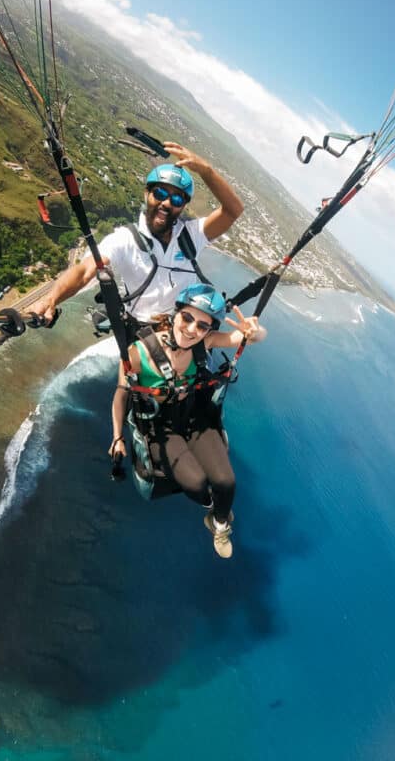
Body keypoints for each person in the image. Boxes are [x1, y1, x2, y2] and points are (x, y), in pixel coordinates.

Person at [109, 283, 267, 559]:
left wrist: (254, 332)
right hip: (161, 427)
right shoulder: (139, 352)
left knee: (227, 482)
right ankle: (213, 507)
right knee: (196, 484)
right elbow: (121, 394)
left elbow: (243, 339)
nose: (192, 330)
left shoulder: (204, 343)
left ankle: (218, 523)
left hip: (193, 416)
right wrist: (117, 437)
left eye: (203, 326)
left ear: (208, 331)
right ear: (175, 314)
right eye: (187, 318)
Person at [31, 142, 244, 338]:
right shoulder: (125, 240)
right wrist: (51, 299)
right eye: (160, 193)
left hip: (181, 328)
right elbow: (85, 270)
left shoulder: (192, 235)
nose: (167, 203)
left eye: (177, 198)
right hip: (142, 332)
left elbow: (233, 210)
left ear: (183, 206)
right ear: (146, 194)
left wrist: (206, 170)